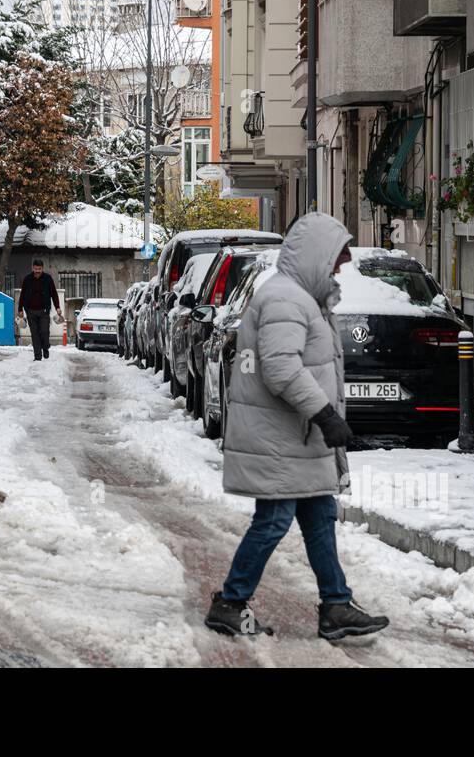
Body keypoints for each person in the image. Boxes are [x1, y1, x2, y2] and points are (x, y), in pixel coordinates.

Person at [204, 211, 390, 641]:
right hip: (281, 438)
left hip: (296, 438)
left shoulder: (301, 298)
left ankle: (337, 606)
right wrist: (325, 414)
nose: (341, 267)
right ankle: (231, 603)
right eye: (337, 259)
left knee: (320, 514)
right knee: (273, 520)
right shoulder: (286, 299)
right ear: (315, 257)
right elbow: (281, 368)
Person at [18, 258, 62, 361]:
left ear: (42, 268)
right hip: (30, 311)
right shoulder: (27, 279)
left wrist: (58, 307)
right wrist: (20, 309)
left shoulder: (48, 279)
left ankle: (45, 347)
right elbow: (22, 294)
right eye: (36, 268)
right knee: (35, 334)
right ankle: (37, 357)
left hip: (44, 311)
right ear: (33, 268)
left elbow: (54, 294)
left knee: (44, 331)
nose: (37, 271)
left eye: (39, 269)